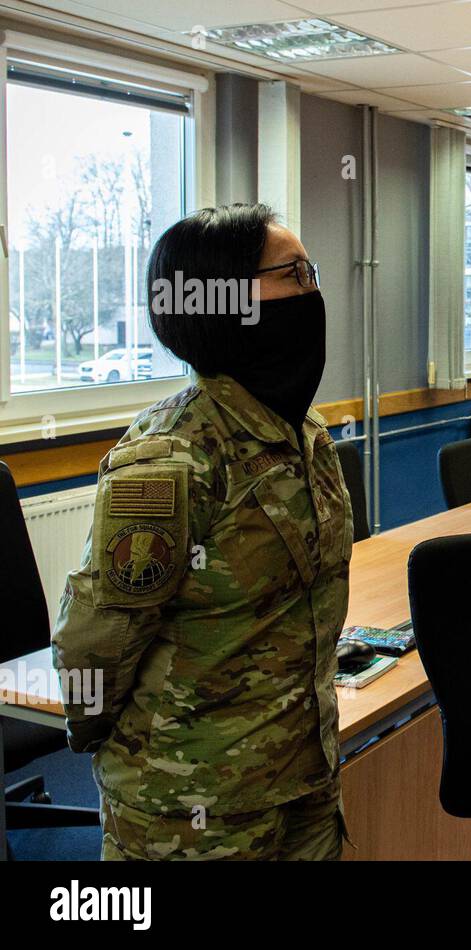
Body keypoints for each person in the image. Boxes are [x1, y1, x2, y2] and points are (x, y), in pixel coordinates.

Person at [52, 203, 353, 860]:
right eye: (293, 273)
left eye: (311, 272)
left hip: (303, 775)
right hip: (190, 807)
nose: (313, 291)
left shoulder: (305, 438)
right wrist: (110, 746)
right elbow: (93, 645)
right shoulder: (172, 456)